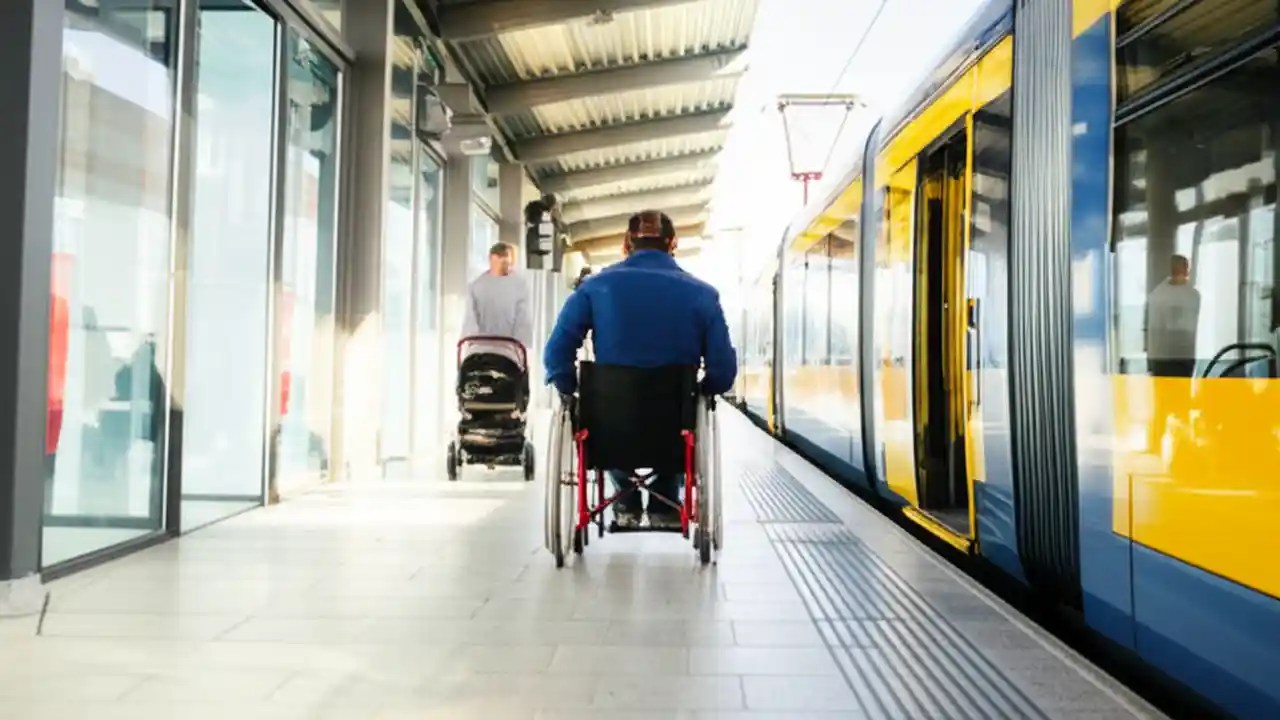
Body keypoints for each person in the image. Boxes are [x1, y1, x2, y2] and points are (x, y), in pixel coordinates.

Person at [544, 210, 737, 529]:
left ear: (625, 244)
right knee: (682, 415)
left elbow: (556, 354)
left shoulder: (595, 287)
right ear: (673, 244)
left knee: (605, 411)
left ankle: (626, 500)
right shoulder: (703, 294)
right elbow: (723, 372)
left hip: (609, 422)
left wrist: (573, 390)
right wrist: (704, 390)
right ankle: (666, 502)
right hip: (675, 423)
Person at [463, 242, 532, 349]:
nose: (504, 263)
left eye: (506, 260)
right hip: (481, 346)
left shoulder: (519, 285)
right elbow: (470, 319)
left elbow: (522, 319)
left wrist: (521, 346)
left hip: (510, 347)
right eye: (500, 258)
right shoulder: (477, 286)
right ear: (491, 259)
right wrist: (473, 343)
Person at [1145, 253, 1200, 377]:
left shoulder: (1157, 294)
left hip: (1163, 357)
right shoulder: (1192, 295)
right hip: (1178, 357)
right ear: (1186, 270)